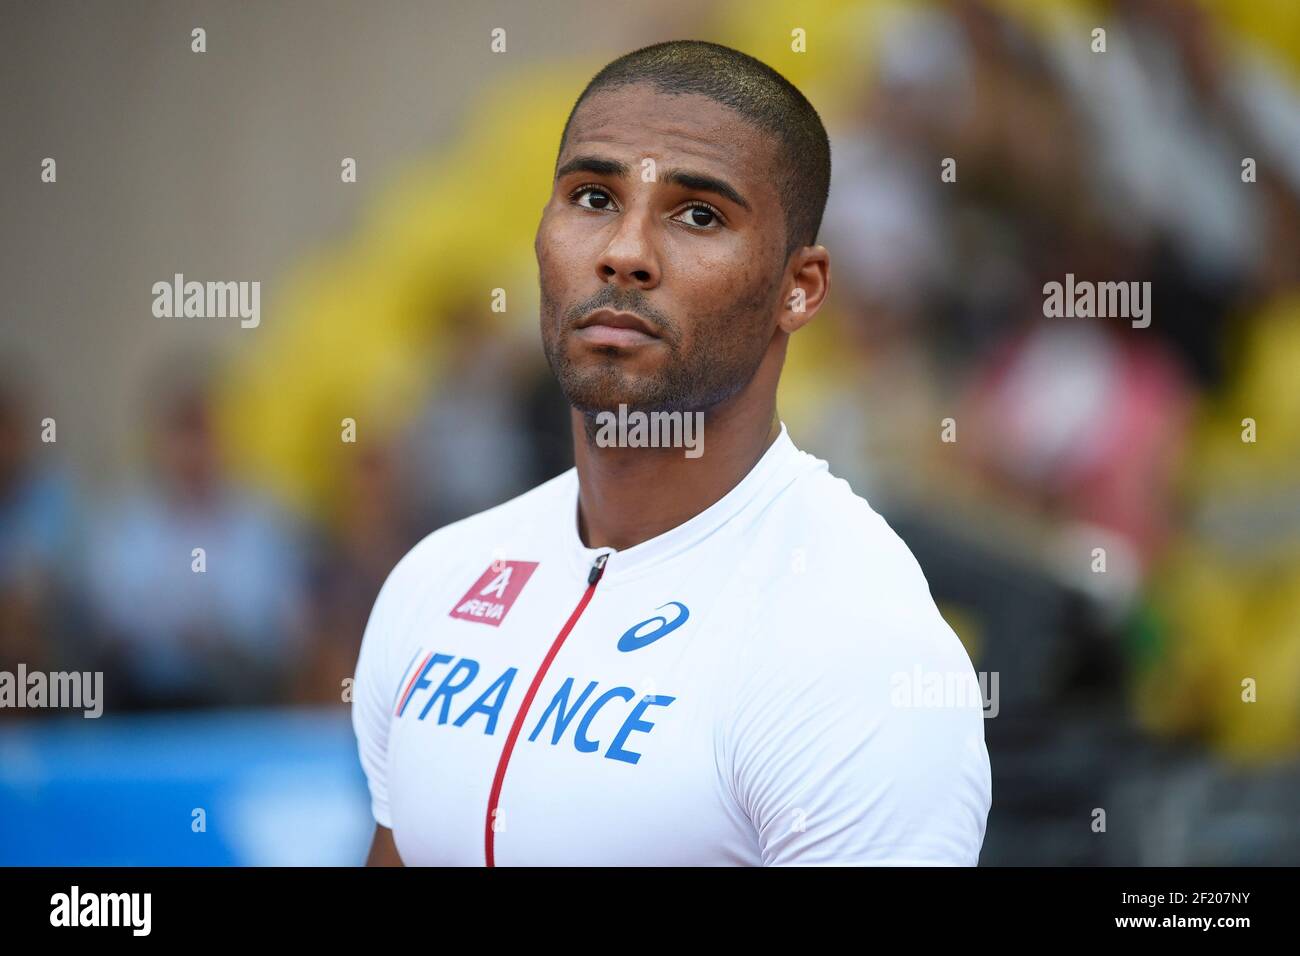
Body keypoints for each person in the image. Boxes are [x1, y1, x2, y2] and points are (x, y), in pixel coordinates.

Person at [352, 40, 991, 866]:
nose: (625, 252)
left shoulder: (860, 648)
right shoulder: (438, 579)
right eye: (591, 197)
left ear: (800, 287)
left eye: (699, 215)